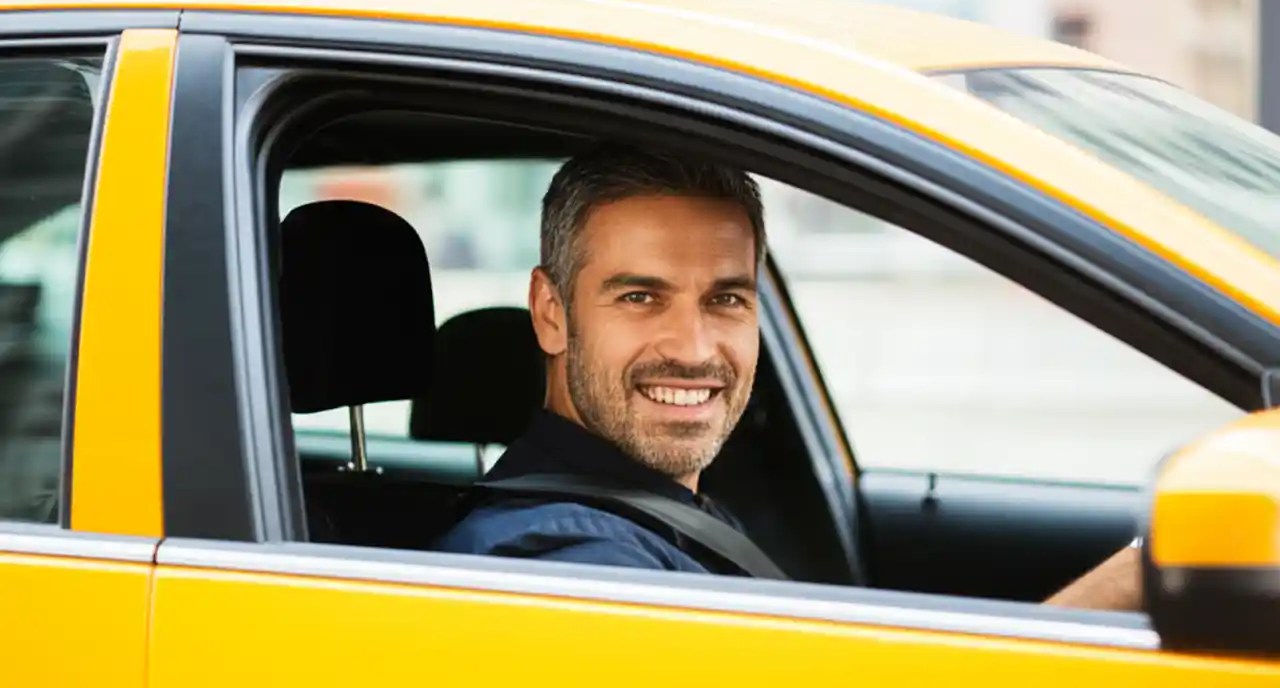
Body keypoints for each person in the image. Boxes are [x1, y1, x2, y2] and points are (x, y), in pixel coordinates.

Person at [434, 143, 1140, 610]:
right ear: (551, 313)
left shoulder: (649, 516)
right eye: (640, 297)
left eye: (726, 298)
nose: (694, 346)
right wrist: (1136, 581)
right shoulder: (563, 565)